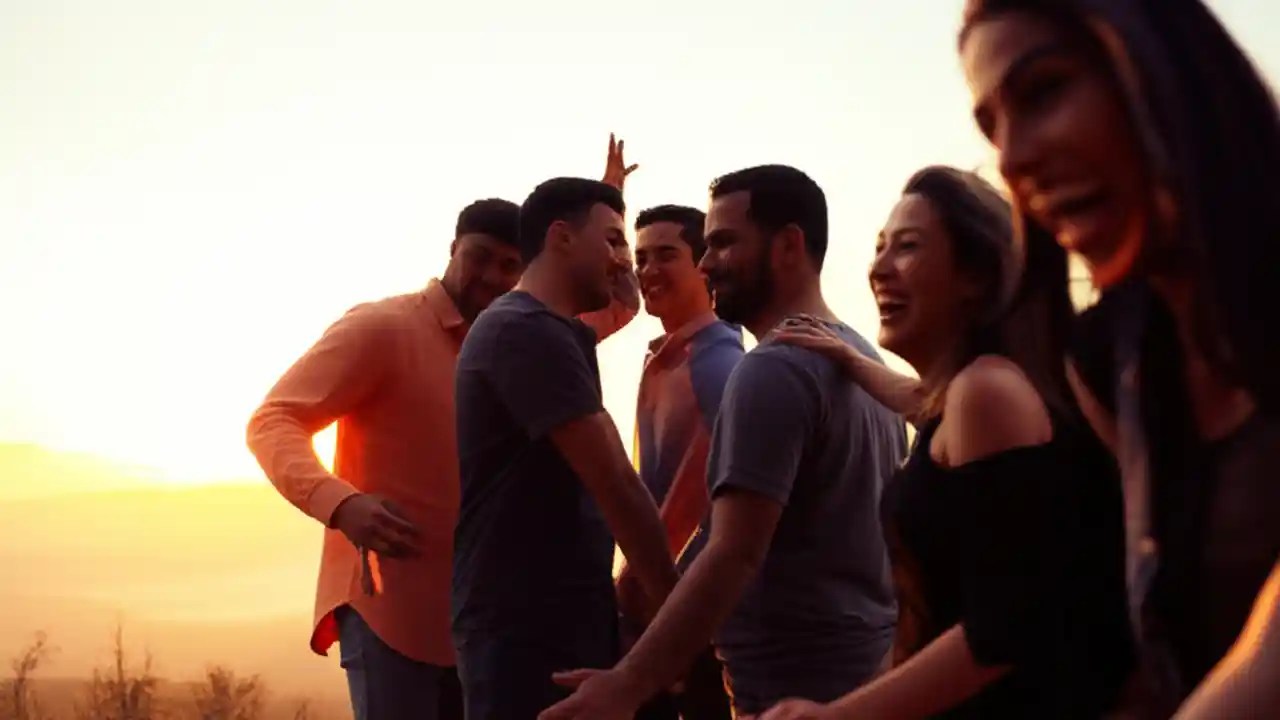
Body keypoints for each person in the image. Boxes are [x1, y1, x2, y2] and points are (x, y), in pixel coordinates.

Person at [958, 1, 1280, 715]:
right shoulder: (1113, 358)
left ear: (1163, 70)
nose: (1010, 158)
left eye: (1043, 92)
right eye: (992, 127)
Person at [246, 140, 641, 720]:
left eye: (512, 265)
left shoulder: (526, 339)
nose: (493, 277)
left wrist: (606, 214)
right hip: (394, 611)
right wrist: (341, 504)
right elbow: (273, 420)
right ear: (452, 249)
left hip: (492, 627)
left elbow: (614, 306)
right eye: (480, 257)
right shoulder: (382, 328)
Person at [760, 167, 1133, 719]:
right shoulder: (970, 395)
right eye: (880, 247)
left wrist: (837, 717)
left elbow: (1005, 628)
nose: (878, 268)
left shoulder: (988, 393)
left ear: (976, 277)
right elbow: (917, 398)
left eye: (907, 248)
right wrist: (850, 360)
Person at [540, 165, 907, 719]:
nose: (706, 263)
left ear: (788, 245)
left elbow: (732, 550)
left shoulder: (772, 370)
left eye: (724, 243)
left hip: (792, 691)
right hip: (861, 677)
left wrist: (629, 681)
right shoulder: (858, 358)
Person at [451, 177, 680, 718]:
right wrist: (683, 625)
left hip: (552, 620)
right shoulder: (524, 330)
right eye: (612, 241)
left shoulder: (555, 331)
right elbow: (617, 484)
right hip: (528, 634)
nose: (623, 261)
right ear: (561, 238)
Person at [620, 204, 744, 719]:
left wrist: (684, 609)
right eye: (641, 257)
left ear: (704, 265)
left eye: (666, 255)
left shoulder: (716, 363)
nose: (647, 270)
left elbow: (734, 501)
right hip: (656, 610)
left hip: (696, 620)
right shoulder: (664, 357)